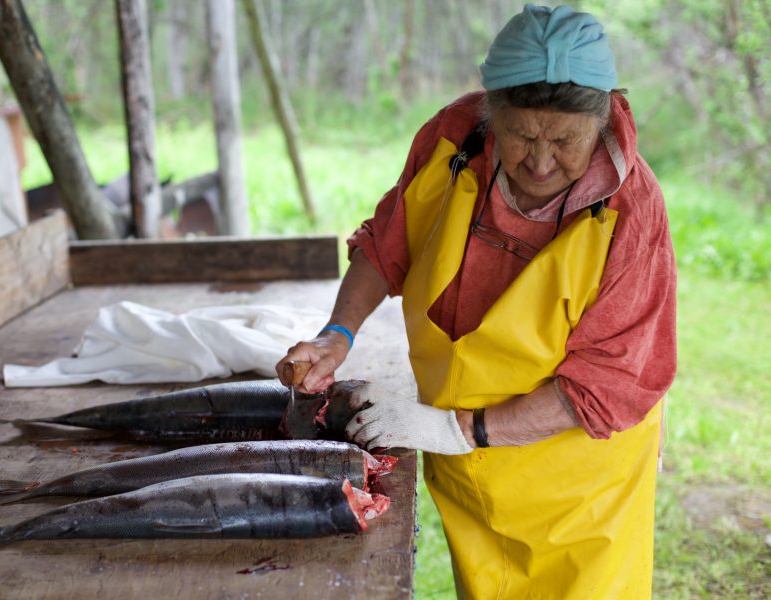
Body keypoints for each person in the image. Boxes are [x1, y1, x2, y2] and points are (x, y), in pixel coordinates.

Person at [276, 4, 676, 599]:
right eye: (521, 134)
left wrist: (458, 429)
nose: (540, 161)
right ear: (491, 112)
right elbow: (391, 242)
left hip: (578, 490)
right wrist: (339, 334)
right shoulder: (453, 138)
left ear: (603, 119)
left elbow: (600, 390)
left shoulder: (632, 217)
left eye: (564, 140)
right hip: (466, 461)